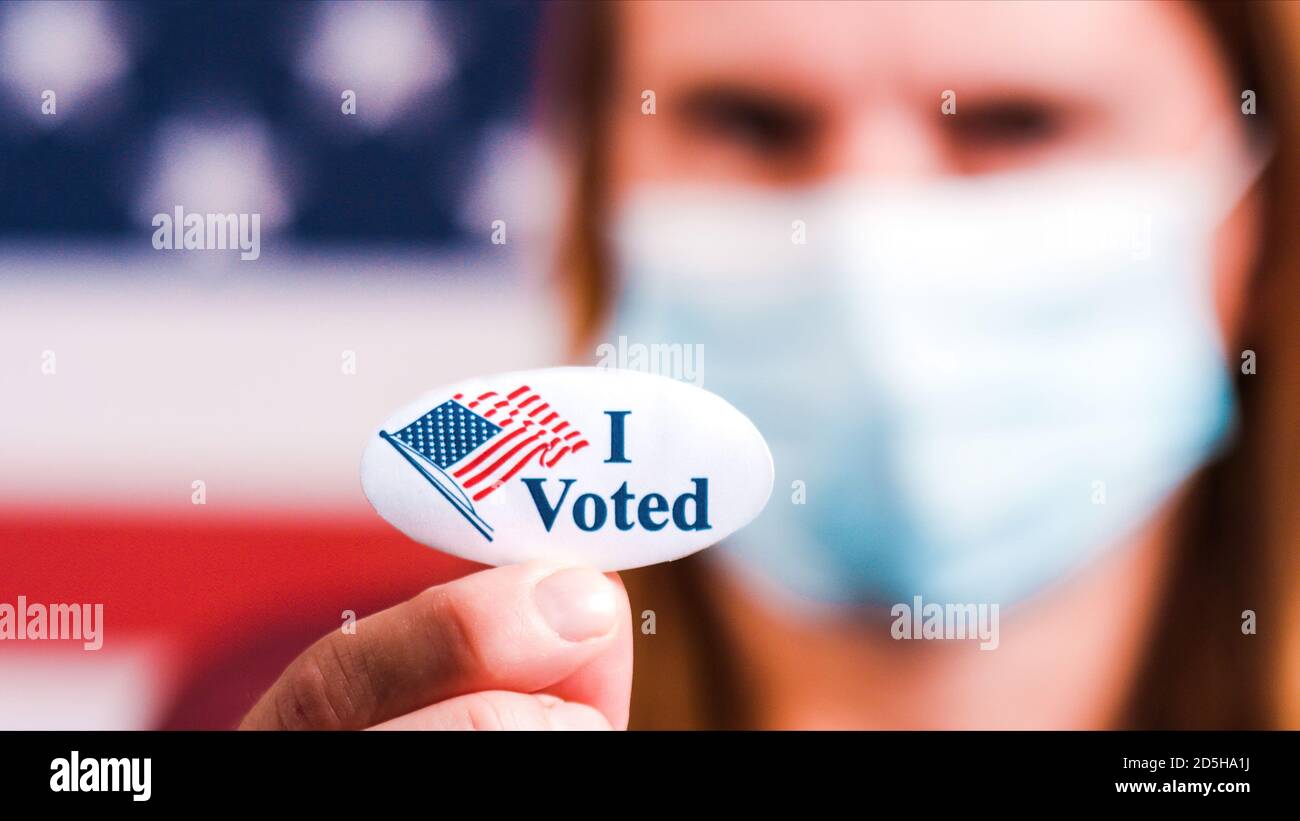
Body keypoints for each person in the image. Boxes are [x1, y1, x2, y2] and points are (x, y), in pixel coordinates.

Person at [240, 0, 1299, 731]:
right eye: (751, 121)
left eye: (1012, 123)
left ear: (1261, 207)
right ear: (599, 190)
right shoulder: (328, 696)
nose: (864, 224)